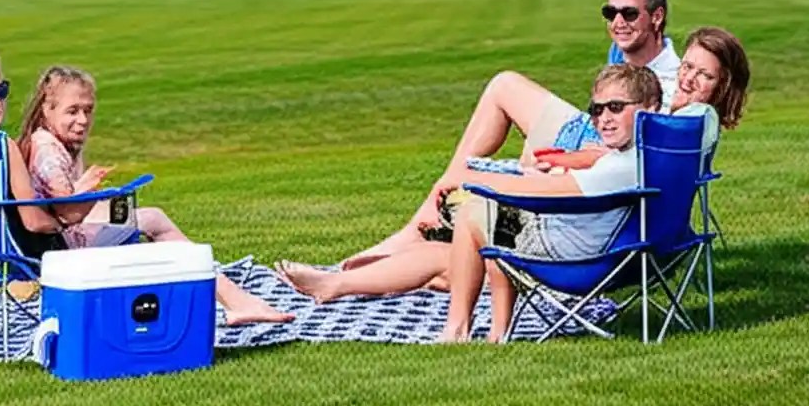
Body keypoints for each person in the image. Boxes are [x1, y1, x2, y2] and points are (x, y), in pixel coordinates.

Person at [274, 26, 750, 307]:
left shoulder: (684, 125)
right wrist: (559, 163)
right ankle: (346, 279)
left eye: (703, 74)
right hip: (633, 240)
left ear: (722, 87)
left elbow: (616, 170)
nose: (687, 77)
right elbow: (619, 159)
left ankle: (340, 284)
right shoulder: (678, 132)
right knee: (464, 241)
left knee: (471, 228)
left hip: (592, 250)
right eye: (687, 65)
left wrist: (509, 180)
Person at [335, 0, 682, 272]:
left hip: (594, 162)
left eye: (629, 14)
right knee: (504, 85)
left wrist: (561, 160)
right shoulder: (623, 53)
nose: (617, 23)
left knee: (498, 166)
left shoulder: (667, 87)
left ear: (656, 17)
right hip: (582, 132)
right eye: (610, 12)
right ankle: (419, 233)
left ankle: (434, 249)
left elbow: (629, 161)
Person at [0, 50, 293, 326]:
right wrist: (80, 200)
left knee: (130, 214)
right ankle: (231, 300)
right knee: (151, 219)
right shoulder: (2, 146)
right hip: (47, 254)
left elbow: (3, 209)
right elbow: (35, 221)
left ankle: (219, 296)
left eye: (0, 90)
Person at [437, 64, 664, 343]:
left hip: (573, 258)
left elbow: (529, 192)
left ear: (650, 109)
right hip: (626, 252)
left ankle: (457, 330)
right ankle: (497, 331)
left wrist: (465, 177)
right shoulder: (654, 154)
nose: (603, 119)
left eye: (616, 107)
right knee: (494, 217)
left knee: (475, 214)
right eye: (597, 110)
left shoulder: (619, 167)